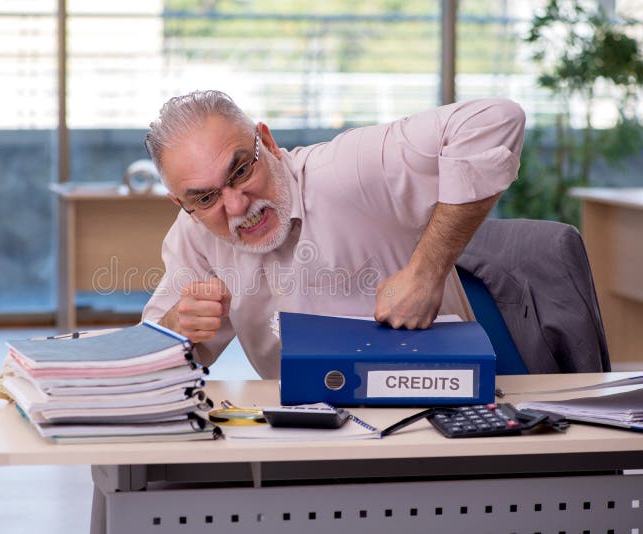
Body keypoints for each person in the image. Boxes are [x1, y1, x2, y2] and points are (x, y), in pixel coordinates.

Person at [142, 90, 525, 379]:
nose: (237, 206)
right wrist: (179, 327)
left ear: (269, 143)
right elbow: (143, 361)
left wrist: (426, 271)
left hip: (435, 407)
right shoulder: (197, 232)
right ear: (182, 204)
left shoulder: (347, 171)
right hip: (308, 434)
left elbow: (495, 120)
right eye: (207, 197)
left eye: (241, 171)